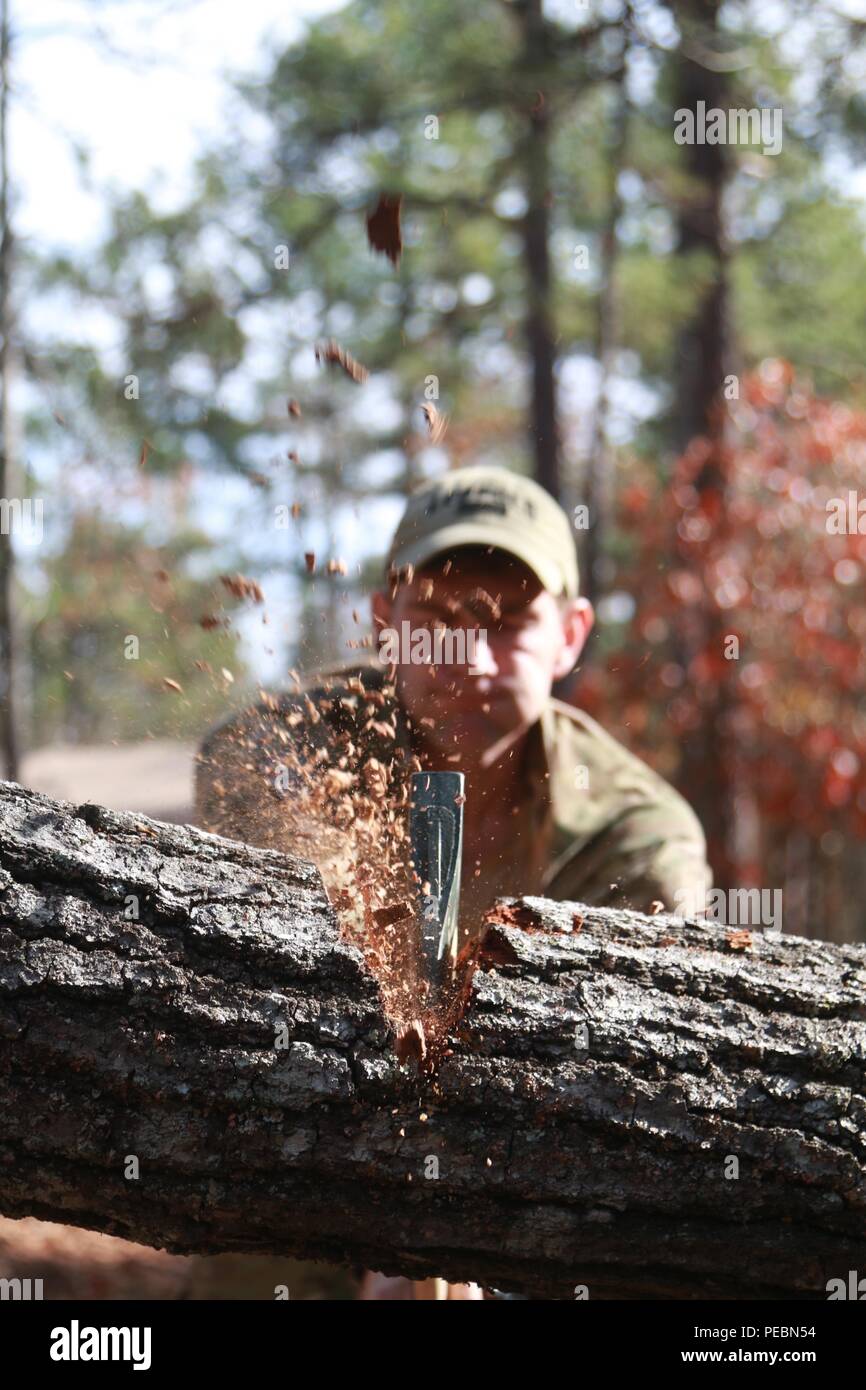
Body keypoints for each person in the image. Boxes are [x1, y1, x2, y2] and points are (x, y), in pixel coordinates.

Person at [194, 463, 712, 1300]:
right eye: (433, 619)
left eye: (505, 622)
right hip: (316, 1153)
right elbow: (230, 775)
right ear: (383, 623)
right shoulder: (300, 752)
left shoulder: (631, 838)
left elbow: (625, 1109)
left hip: (531, 1194)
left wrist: (461, 1253)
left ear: (572, 635)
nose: (465, 656)